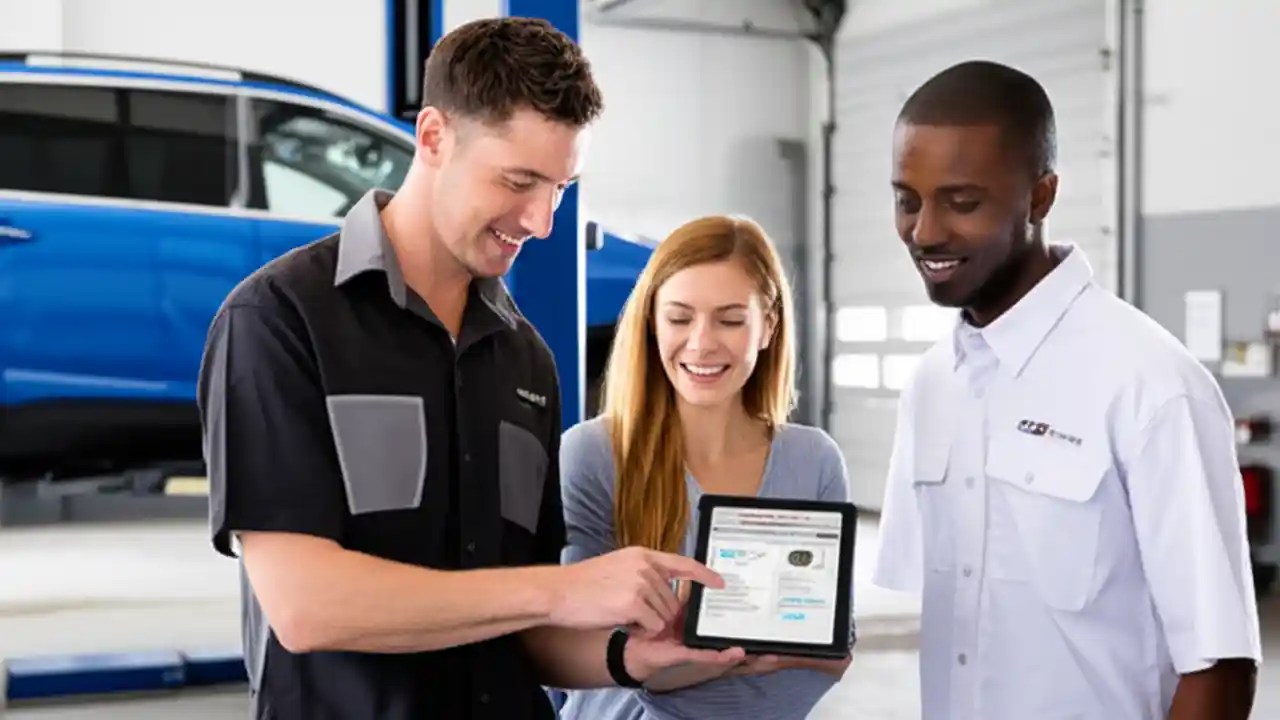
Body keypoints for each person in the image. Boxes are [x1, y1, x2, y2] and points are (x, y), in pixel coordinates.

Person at [196, 18, 742, 720]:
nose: (542, 220)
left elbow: (526, 631)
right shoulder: (279, 321)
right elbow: (306, 608)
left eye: (561, 188)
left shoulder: (526, 360)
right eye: (519, 180)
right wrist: (560, 591)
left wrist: (632, 657)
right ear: (433, 137)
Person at [871, 59, 1262, 719]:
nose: (925, 231)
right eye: (908, 199)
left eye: (962, 201)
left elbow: (1219, 666)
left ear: (1040, 196)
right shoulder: (933, 383)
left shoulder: (1151, 385)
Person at [556, 215, 855, 720]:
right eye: (679, 318)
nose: (701, 343)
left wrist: (695, 654)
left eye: (730, 319)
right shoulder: (591, 454)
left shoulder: (814, 460)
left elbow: (835, 647)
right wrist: (730, 654)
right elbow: (571, 653)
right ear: (651, 322)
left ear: (769, 326)